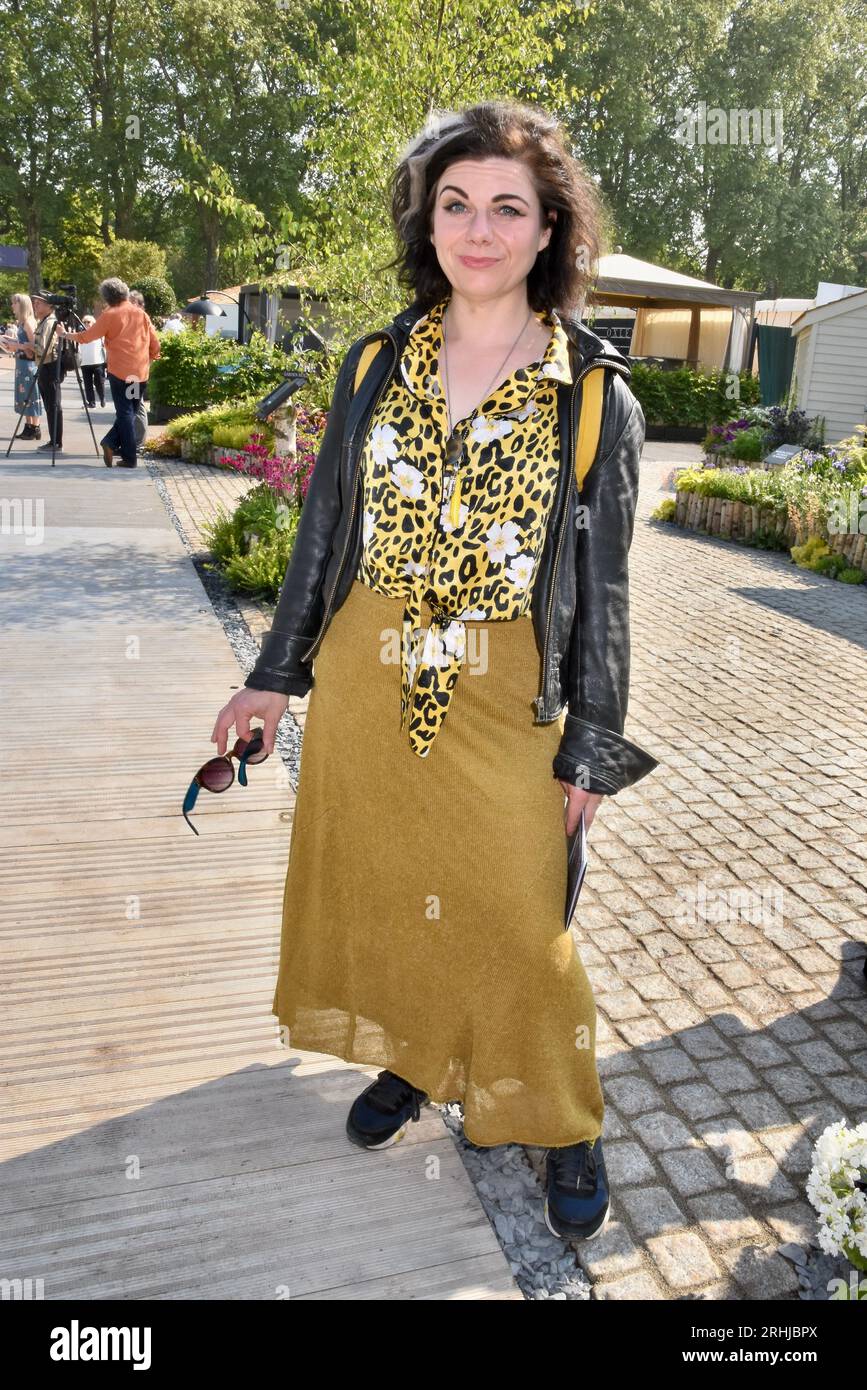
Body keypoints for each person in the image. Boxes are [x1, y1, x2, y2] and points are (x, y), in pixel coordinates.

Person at [210, 100, 659, 1243]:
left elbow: (603, 595)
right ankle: (414, 1059)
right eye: (455, 202)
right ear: (429, 219)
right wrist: (274, 675)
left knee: (521, 917)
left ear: (552, 230)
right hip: (369, 666)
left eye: (509, 207)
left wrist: (593, 745)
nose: (478, 227)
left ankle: (562, 1118)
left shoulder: (596, 394)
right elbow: (324, 533)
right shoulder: (373, 361)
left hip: (505, 688)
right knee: (387, 877)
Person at [58, 277, 160, 467]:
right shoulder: (141, 314)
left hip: (120, 372)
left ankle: (128, 456)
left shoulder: (109, 315)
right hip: (139, 372)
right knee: (131, 411)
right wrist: (152, 357)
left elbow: (85, 337)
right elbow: (155, 343)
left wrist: (64, 334)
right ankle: (111, 443)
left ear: (107, 297)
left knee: (125, 413)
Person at [0, 292, 42, 438]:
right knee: (24, 396)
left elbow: (35, 345)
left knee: (31, 395)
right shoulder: (22, 322)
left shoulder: (29, 322)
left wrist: (16, 344)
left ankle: (35, 427)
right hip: (21, 364)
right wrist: (11, 343)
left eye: (14, 303)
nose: (12, 306)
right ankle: (29, 426)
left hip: (29, 364)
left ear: (22, 304)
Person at [30, 291, 64, 453]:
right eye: (34, 302)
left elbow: (43, 348)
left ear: (50, 306)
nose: (35, 305)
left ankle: (56, 443)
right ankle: (54, 441)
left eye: (39, 303)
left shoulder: (49, 322)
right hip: (45, 367)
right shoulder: (44, 321)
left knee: (53, 405)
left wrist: (25, 346)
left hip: (50, 368)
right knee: (50, 406)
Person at [78, 314, 106, 408]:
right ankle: (91, 402)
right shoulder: (81, 334)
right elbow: (78, 348)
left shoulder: (99, 334)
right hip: (85, 363)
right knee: (87, 384)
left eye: (88, 322)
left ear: (93, 323)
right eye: (84, 322)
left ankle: (102, 398)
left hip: (98, 362)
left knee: (99, 382)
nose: (86, 324)